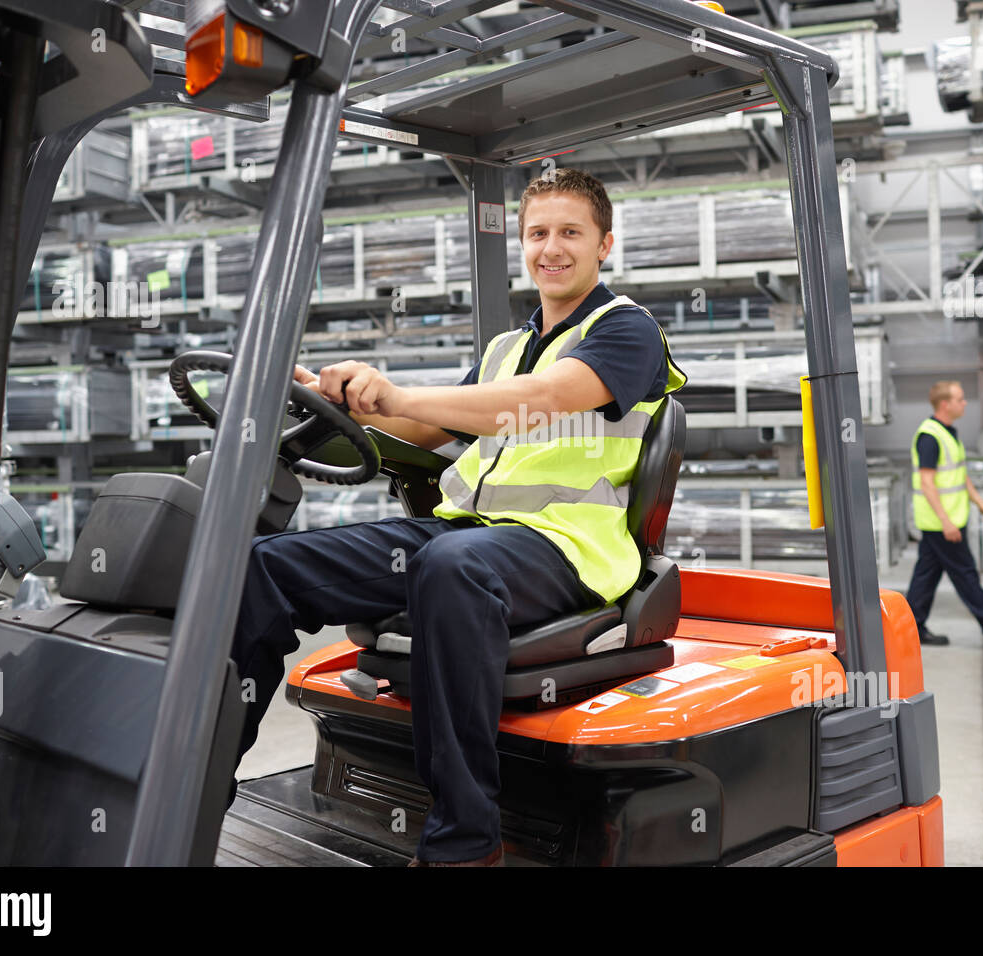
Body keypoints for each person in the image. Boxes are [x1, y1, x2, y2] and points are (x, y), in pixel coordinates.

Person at [228, 168, 686, 866]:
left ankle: (466, 842)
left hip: (566, 549)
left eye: (571, 233)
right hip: (471, 537)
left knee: (448, 567)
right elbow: (423, 433)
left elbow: (538, 401)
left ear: (605, 245)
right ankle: (200, 782)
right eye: (538, 233)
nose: (551, 248)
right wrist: (335, 406)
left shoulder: (626, 331)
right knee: (269, 565)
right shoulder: (507, 348)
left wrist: (402, 391)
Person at [905, 381, 983, 648]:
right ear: (945, 404)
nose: (964, 404)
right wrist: (946, 522)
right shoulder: (930, 437)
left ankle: (911, 628)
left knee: (926, 575)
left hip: (947, 520)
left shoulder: (949, 433)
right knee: (965, 573)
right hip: (942, 523)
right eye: (960, 399)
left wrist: (979, 502)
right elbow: (927, 484)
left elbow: (959, 477)